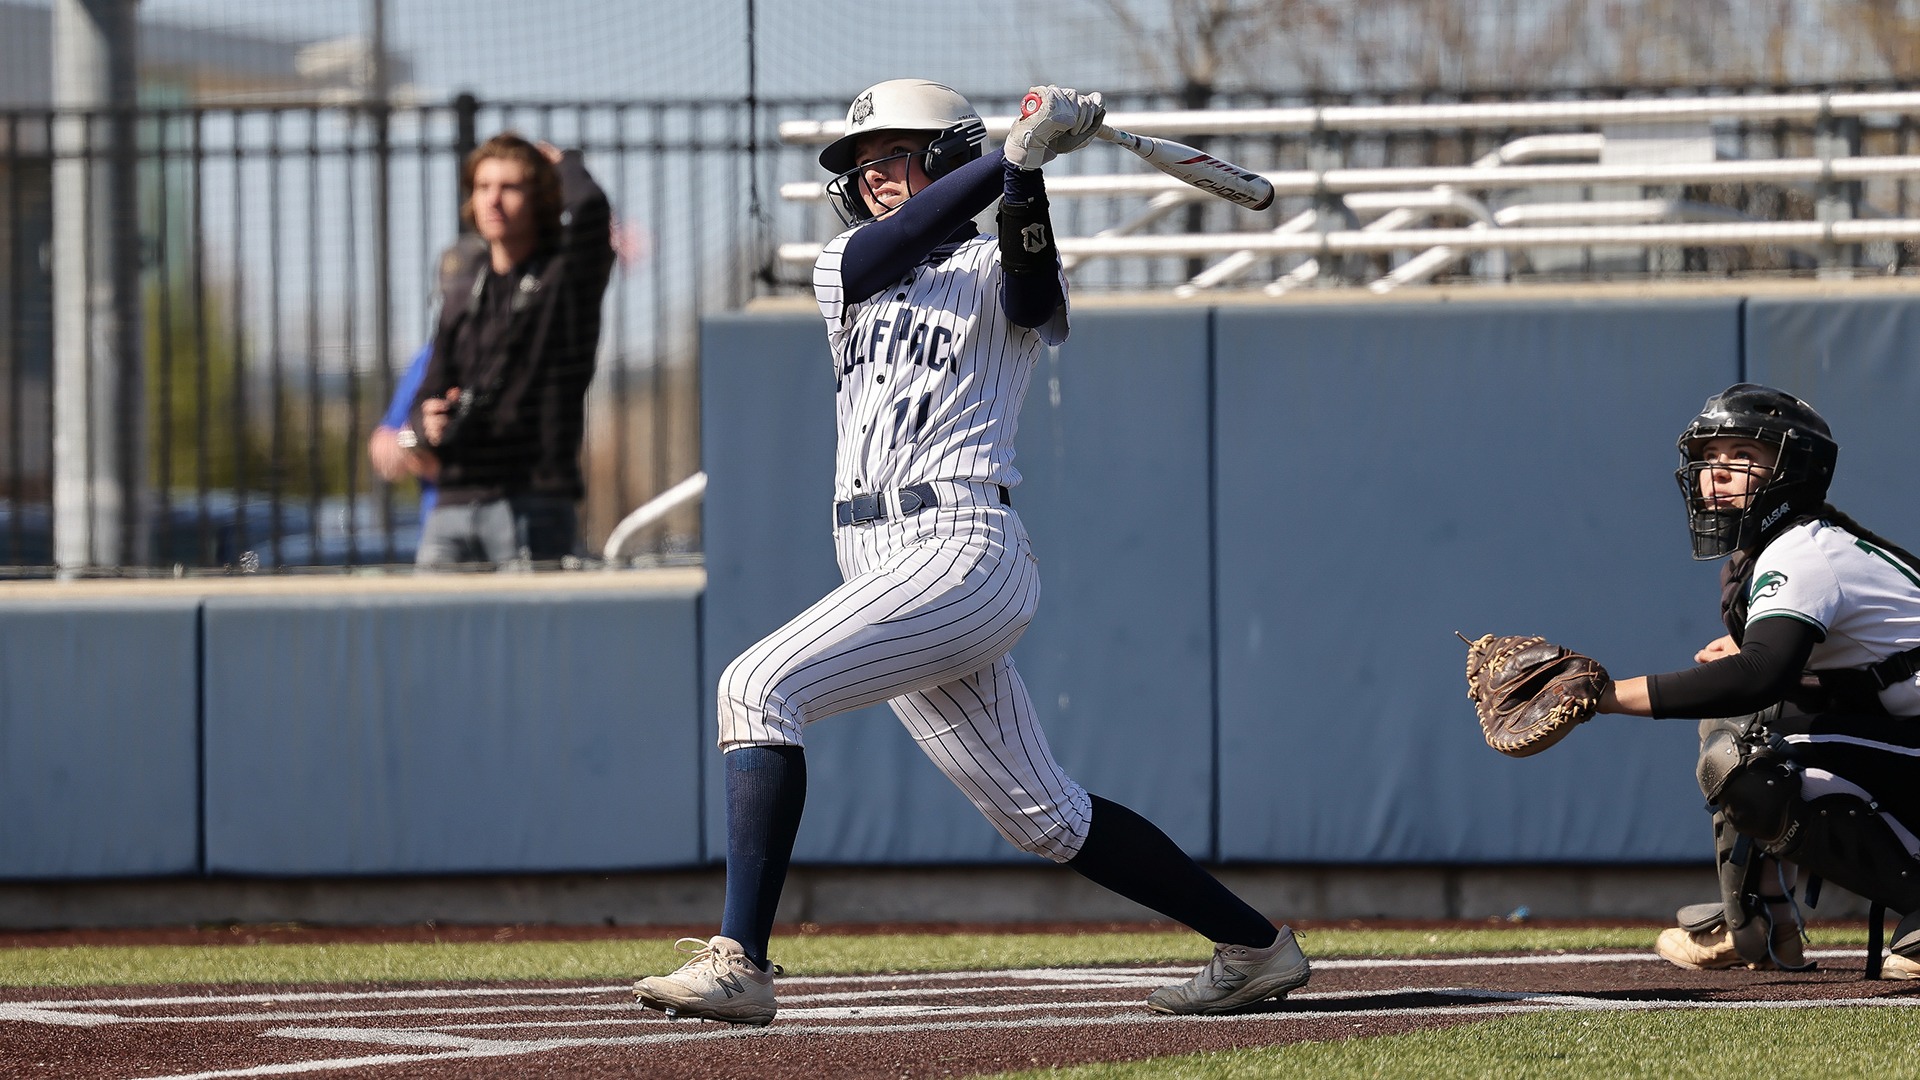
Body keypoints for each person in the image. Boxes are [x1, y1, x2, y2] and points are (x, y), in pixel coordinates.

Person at [632, 79, 1311, 1026]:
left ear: (947, 153)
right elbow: (897, 243)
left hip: (962, 547)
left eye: (894, 157)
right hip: (877, 560)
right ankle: (1256, 948)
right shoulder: (844, 270)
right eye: (862, 165)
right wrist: (1013, 155)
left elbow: (1033, 287)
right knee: (1043, 817)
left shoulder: (996, 267)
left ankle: (741, 961)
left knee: (756, 687)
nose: (873, 179)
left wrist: (1023, 173)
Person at [1588, 383, 1920, 980]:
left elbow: (1758, 676)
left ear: (1793, 468)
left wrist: (1605, 696)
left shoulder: (1805, 551)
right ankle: (1761, 924)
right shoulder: (1789, 549)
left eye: (1741, 455)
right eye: (1709, 460)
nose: (1717, 474)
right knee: (1742, 730)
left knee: (1745, 751)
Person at [409, 133, 614, 567]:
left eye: (510, 187)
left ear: (540, 196)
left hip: (532, 503)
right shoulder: (462, 290)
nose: (493, 201)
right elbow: (428, 388)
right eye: (483, 188)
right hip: (452, 505)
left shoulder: (563, 279)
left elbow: (591, 212)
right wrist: (428, 423)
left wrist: (563, 162)